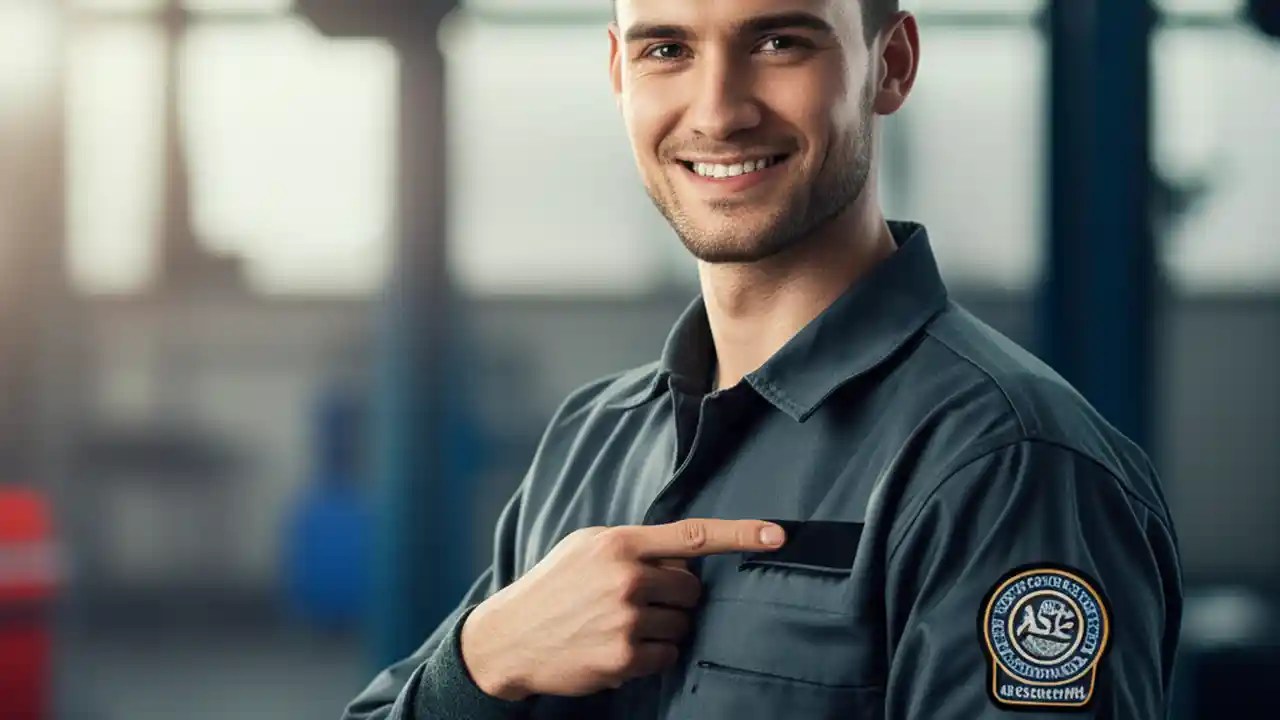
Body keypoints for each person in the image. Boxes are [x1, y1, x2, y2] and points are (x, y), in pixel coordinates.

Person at [344, 0, 1182, 717]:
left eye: (779, 41)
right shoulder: (594, 437)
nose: (718, 111)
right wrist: (482, 662)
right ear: (619, 75)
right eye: (667, 49)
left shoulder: (1005, 465)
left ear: (889, 65)